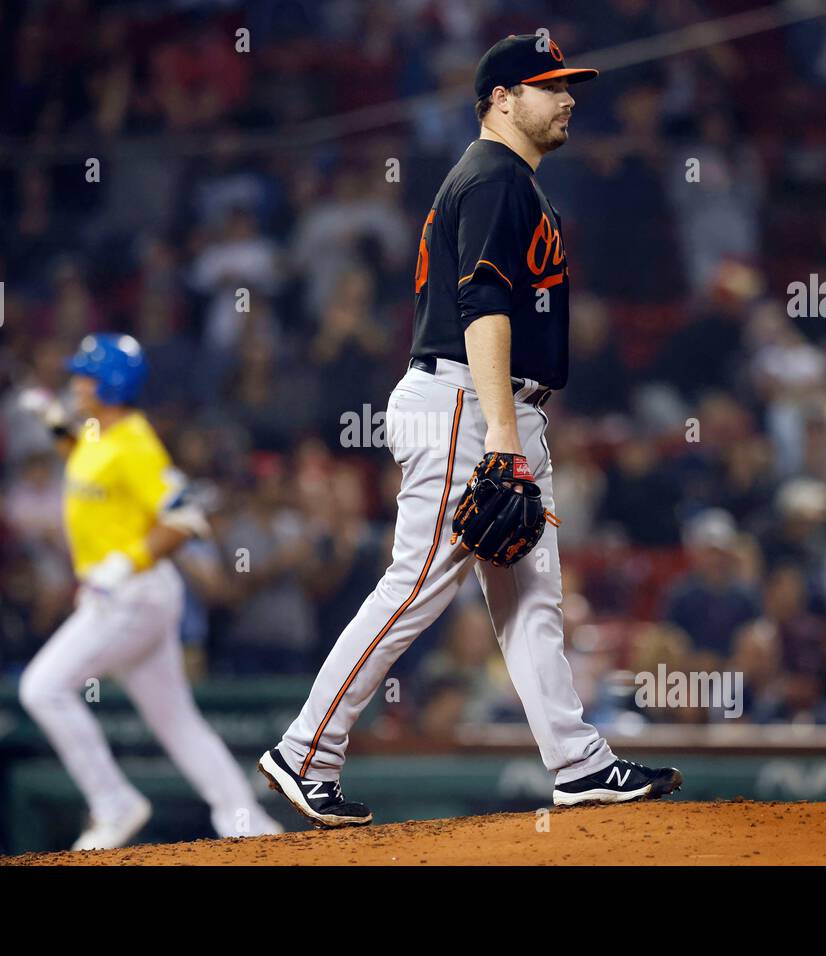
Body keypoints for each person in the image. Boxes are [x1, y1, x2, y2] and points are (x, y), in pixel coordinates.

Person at [257, 35, 683, 828]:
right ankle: (305, 750)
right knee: (417, 584)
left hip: (492, 405)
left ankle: (579, 764)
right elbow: (483, 307)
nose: (568, 98)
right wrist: (502, 438)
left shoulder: (509, 180)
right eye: (549, 86)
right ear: (500, 99)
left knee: (531, 602)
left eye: (569, 85)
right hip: (467, 401)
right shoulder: (492, 177)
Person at [19, 334, 280, 849]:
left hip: (131, 593)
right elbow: (84, 456)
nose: (75, 383)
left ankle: (113, 802)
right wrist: (52, 419)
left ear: (111, 384)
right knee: (177, 721)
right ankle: (245, 819)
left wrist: (127, 561)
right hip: (128, 594)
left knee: (42, 688)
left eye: (85, 376)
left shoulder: (136, 440)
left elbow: (186, 518)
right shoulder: (98, 432)